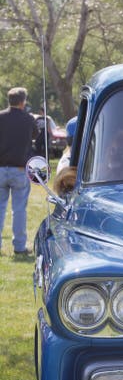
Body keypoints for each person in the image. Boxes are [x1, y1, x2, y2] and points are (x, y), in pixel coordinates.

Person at [0, 87, 39, 255]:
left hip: (0, 168)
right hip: (19, 168)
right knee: (19, 209)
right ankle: (19, 247)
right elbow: (36, 136)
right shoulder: (29, 119)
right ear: (23, 102)